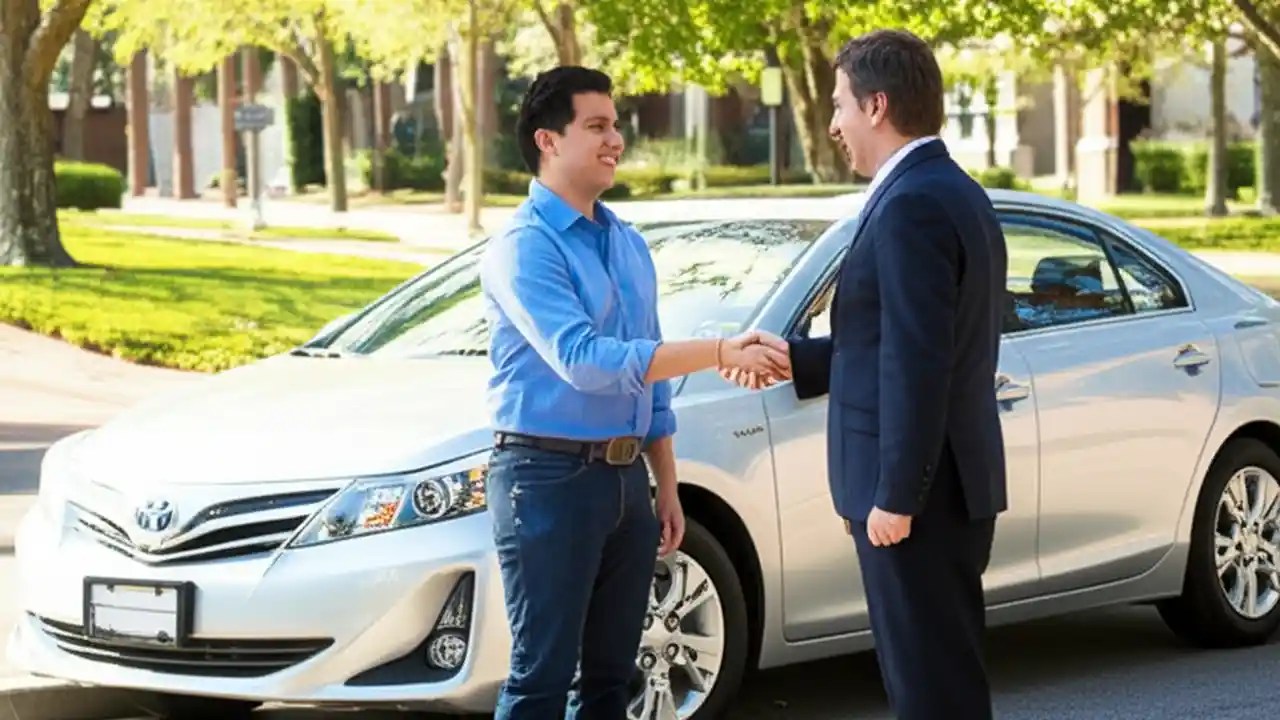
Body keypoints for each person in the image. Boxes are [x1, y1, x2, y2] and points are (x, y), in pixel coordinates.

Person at [477, 65, 790, 720]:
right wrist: (720, 350)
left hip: (626, 487)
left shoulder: (626, 243)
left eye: (614, 124)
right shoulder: (523, 247)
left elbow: (652, 385)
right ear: (547, 141)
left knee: (614, 679)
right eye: (596, 126)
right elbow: (586, 363)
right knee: (541, 677)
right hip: (546, 477)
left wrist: (665, 485)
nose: (615, 138)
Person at [730, 29, 1009, 719]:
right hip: (947, 490)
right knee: (940, 682)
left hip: (919, 500)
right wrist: (796, 358)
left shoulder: (912, 203)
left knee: (930, 693)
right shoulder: (951, 190)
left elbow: (920, 363)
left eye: (840, 106)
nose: (833, 123)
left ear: (877, 106)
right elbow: (899, 343)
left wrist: (897, 496)